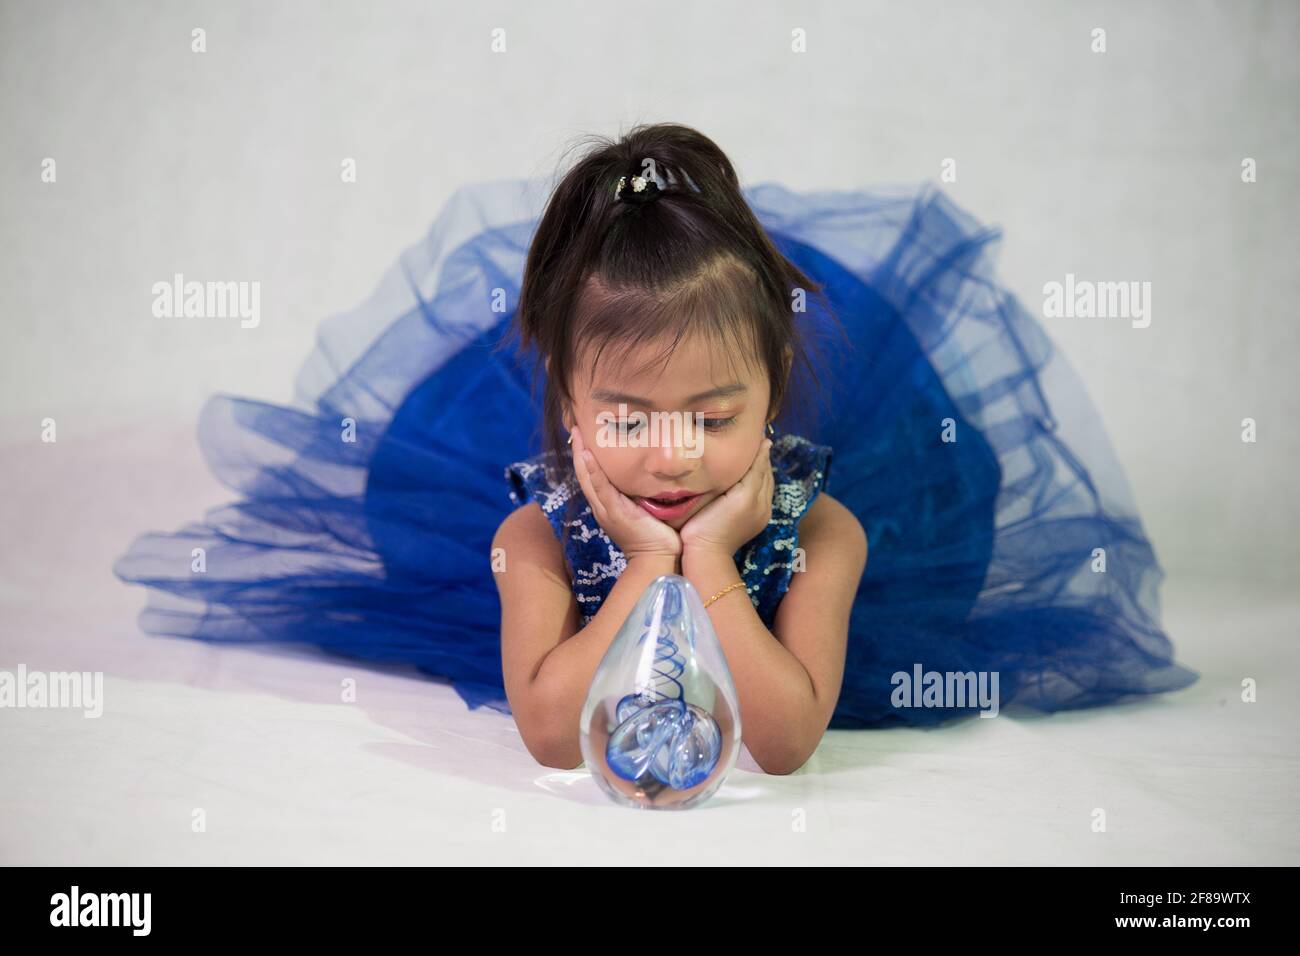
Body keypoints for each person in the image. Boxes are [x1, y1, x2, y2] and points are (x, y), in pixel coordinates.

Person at [113, 122, 1199, 774]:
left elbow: (780, 744)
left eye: (714, 417)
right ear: (567, 402)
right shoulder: (535, 541)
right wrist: (643, 561)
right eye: (628, 418)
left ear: (774, 394)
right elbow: (548, 732)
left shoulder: (822, 531)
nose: (672, 455)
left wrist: (715, 562)